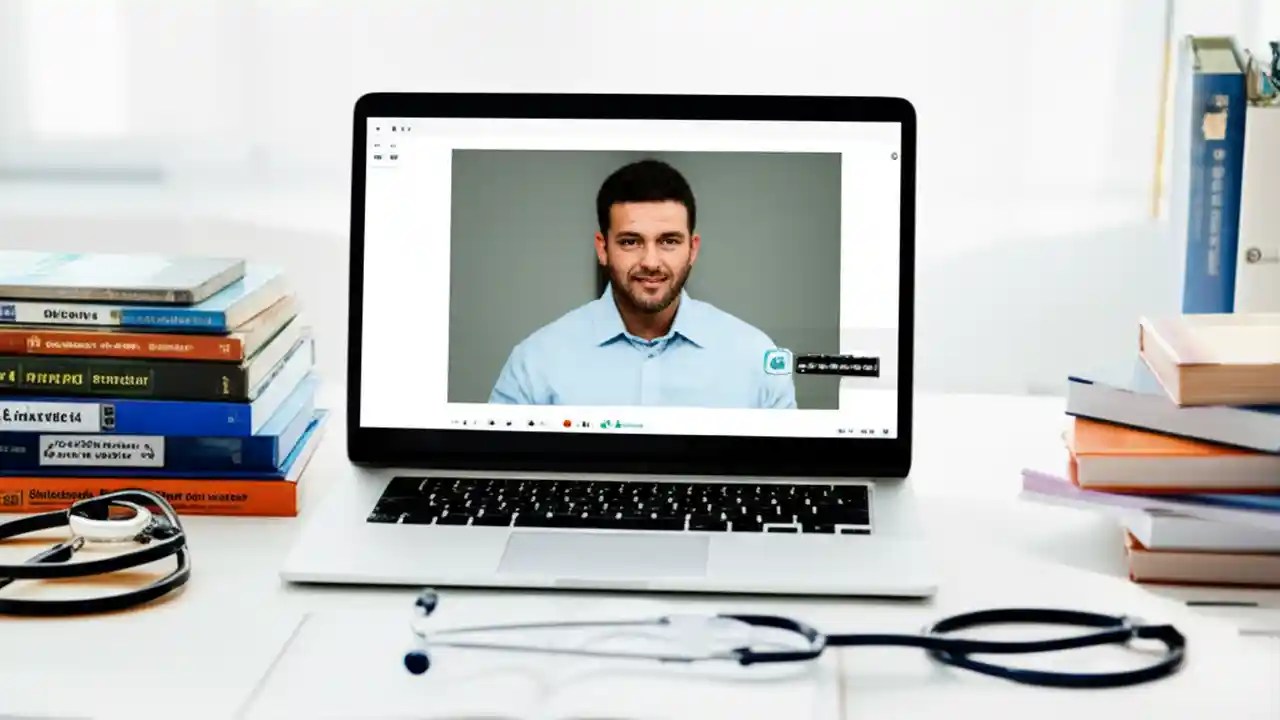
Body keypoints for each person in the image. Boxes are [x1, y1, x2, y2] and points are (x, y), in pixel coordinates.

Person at [489, 158, 796, 409]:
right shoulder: (535, 361)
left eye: (669, 241)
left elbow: (786, 475)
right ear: (602, 248)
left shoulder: (756, 358)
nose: (650, 261)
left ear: (693, 248)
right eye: (631, 241)